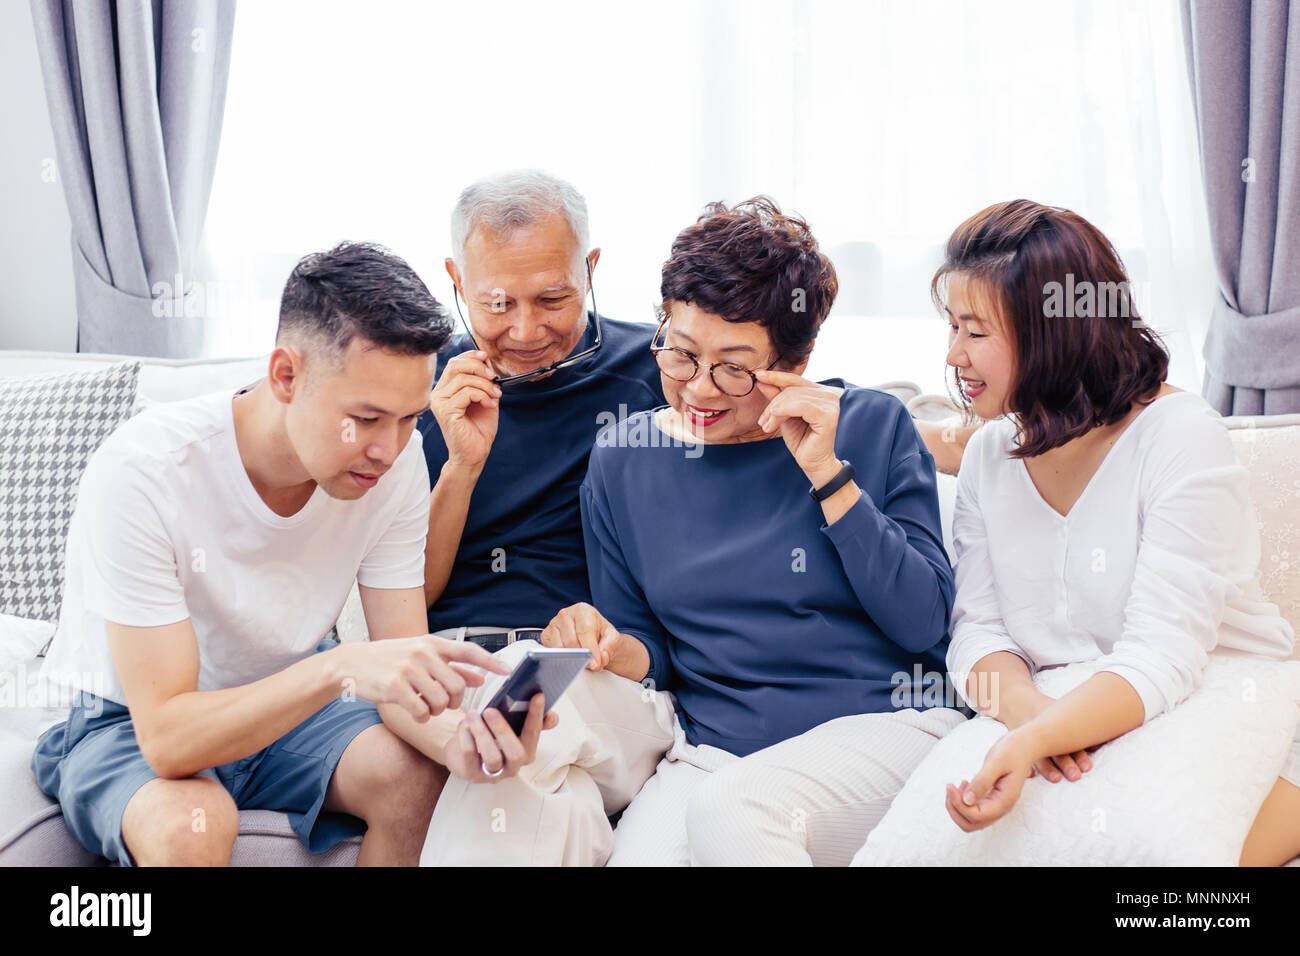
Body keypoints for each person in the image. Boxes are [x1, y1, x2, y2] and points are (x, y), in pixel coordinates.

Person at [30, 242, 534, 867]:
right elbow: (168, 739)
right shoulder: (146, 473)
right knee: (190, 826)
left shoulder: (396, 466)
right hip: (129, 721)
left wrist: (459, 740)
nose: (389, 447)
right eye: (367, 418)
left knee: (417, 780)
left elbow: (401, 677)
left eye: (408, 419)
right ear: (286, 375)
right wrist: (340, 668)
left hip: (299, 708)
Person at [534, 196, 967, 865]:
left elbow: (924, 624)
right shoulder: (621, 462)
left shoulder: (873, 426)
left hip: (888, 730)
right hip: (714, 757)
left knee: (735, 814)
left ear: (797, 361)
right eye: (680, 355)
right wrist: (609, 644)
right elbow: (654, 655)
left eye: (734, 368)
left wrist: (827, 474)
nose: (698, 390)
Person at [897, 199, 1297, 861]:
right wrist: (1030, 717)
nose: (953, 355)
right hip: (1059, 709)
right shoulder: (988, 456)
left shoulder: (1179, 436)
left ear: (1052, 332)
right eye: (952, 327)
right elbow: (978, 629)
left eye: (974, 330)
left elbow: (1164, 651)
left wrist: (1037, 739)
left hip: (1209, 695)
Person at [415, 171, 680, 863]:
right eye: (497, 303)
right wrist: (460, 467)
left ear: (590, 272)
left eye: (553, 299)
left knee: (515, 721)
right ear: (455, 280)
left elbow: (786, 400)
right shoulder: (416, 386)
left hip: (601, 674)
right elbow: (410, 598)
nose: (526, 331)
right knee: (554, 802)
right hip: (460, 671)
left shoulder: (658, 369)